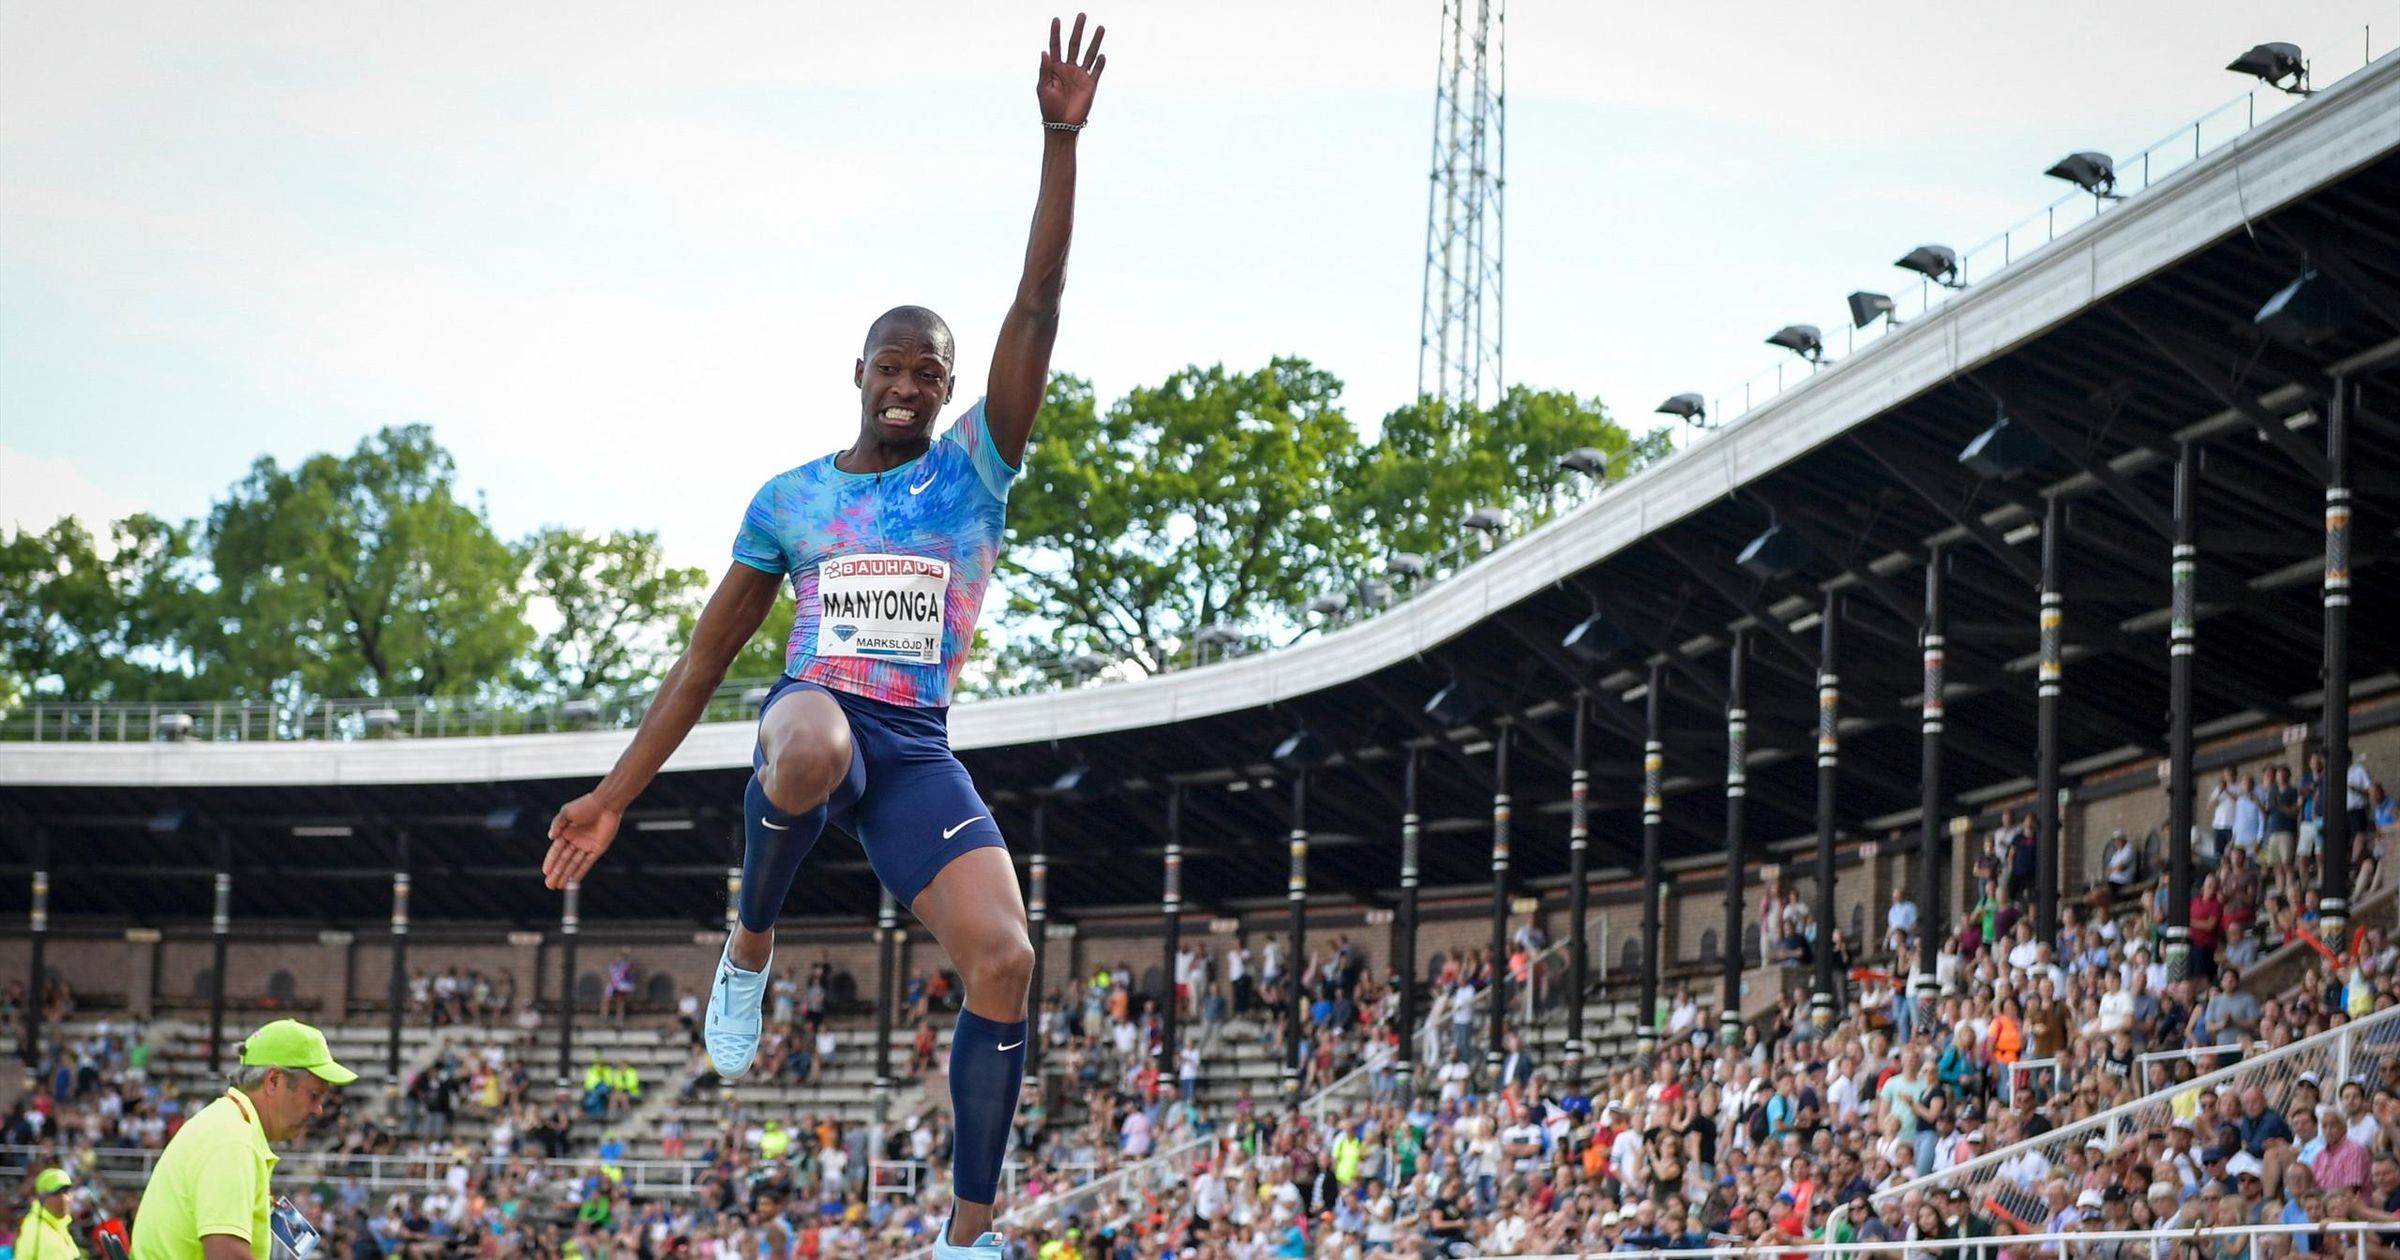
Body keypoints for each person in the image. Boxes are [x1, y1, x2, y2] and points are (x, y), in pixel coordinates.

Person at [538, 16, 1107, 1260]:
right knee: (800, 730)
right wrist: (614, 795)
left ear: (951, 387)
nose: (911, 381)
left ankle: (966, 1236)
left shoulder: (976, 471)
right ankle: (750, 950)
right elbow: (703, 661)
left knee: (1008, 961)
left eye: (932, 369)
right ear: (858, 370)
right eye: (892, 364)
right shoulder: (790, 501)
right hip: (819, 726)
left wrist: (1059, 140)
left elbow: (1039, 300)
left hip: (915, 751)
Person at [132, 1019, 355, 1260]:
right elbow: (227, 1254)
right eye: (314, 1095)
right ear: (273, 1081)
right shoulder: (233, 1139)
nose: (318, 1109)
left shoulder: (228, 1124)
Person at [18, 1168, 80, 1260]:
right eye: (57, 1193)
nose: (66, 1199)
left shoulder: (57, 1225)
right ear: (42, 1198)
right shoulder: (39, 1231)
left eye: (67, 1191)